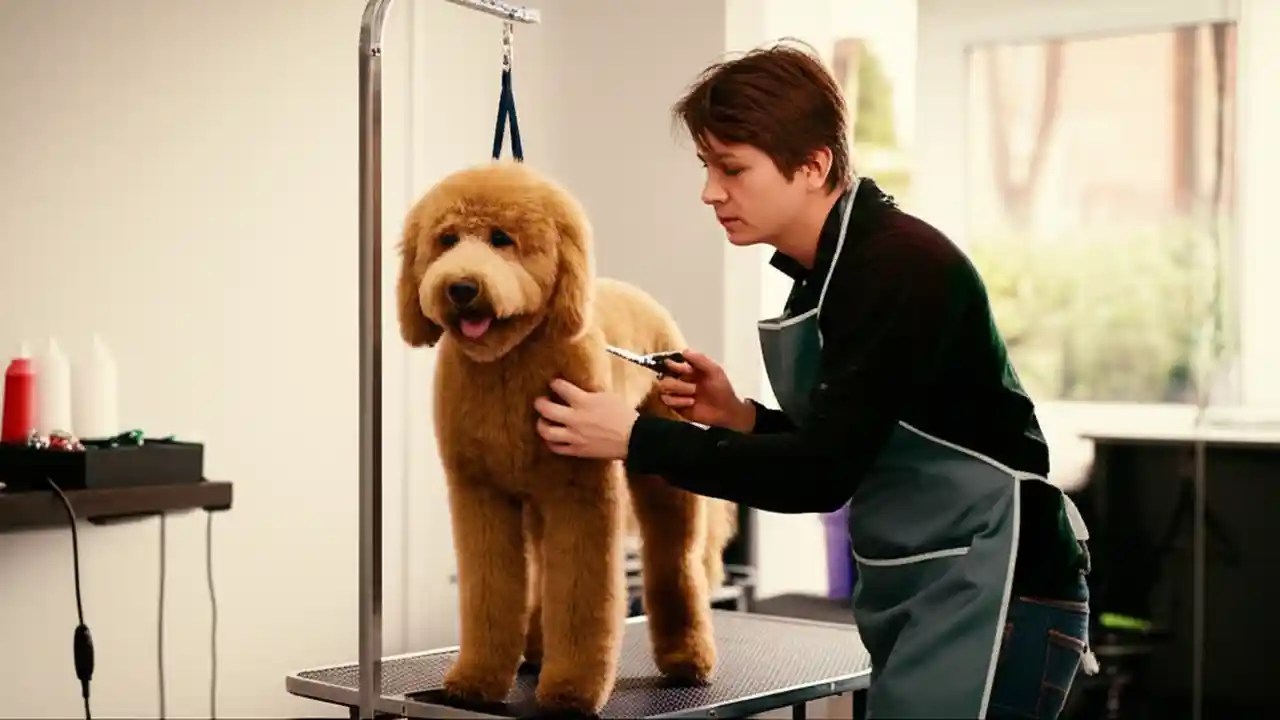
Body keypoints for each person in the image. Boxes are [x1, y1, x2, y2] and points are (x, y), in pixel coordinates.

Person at [532, 40, 1095, 720]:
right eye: (710, 167)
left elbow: (821, 476)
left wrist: (635, 437)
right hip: (933, 585)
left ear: (813, 165)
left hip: (999, 585)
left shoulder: (895, 267)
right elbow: (859, 442)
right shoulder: (825, 277)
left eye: (732, 169)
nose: (711, 192)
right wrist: (739, 415)